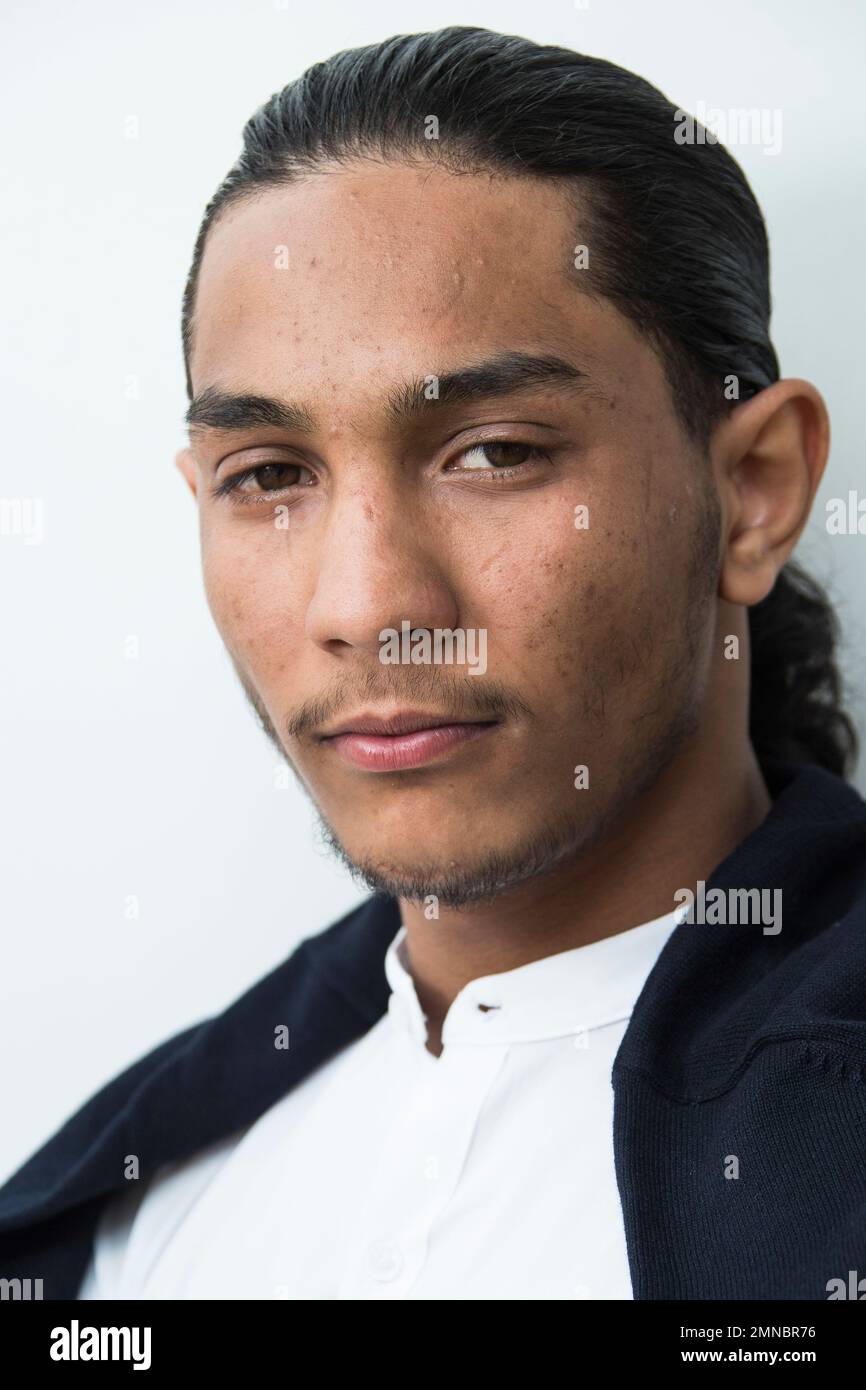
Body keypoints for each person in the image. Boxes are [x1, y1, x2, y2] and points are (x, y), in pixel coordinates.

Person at [2, 25, 865, 1302]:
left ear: (749, 489)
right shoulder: (127, 1218)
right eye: (270, 477)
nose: (363, 606)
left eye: (494, 452)